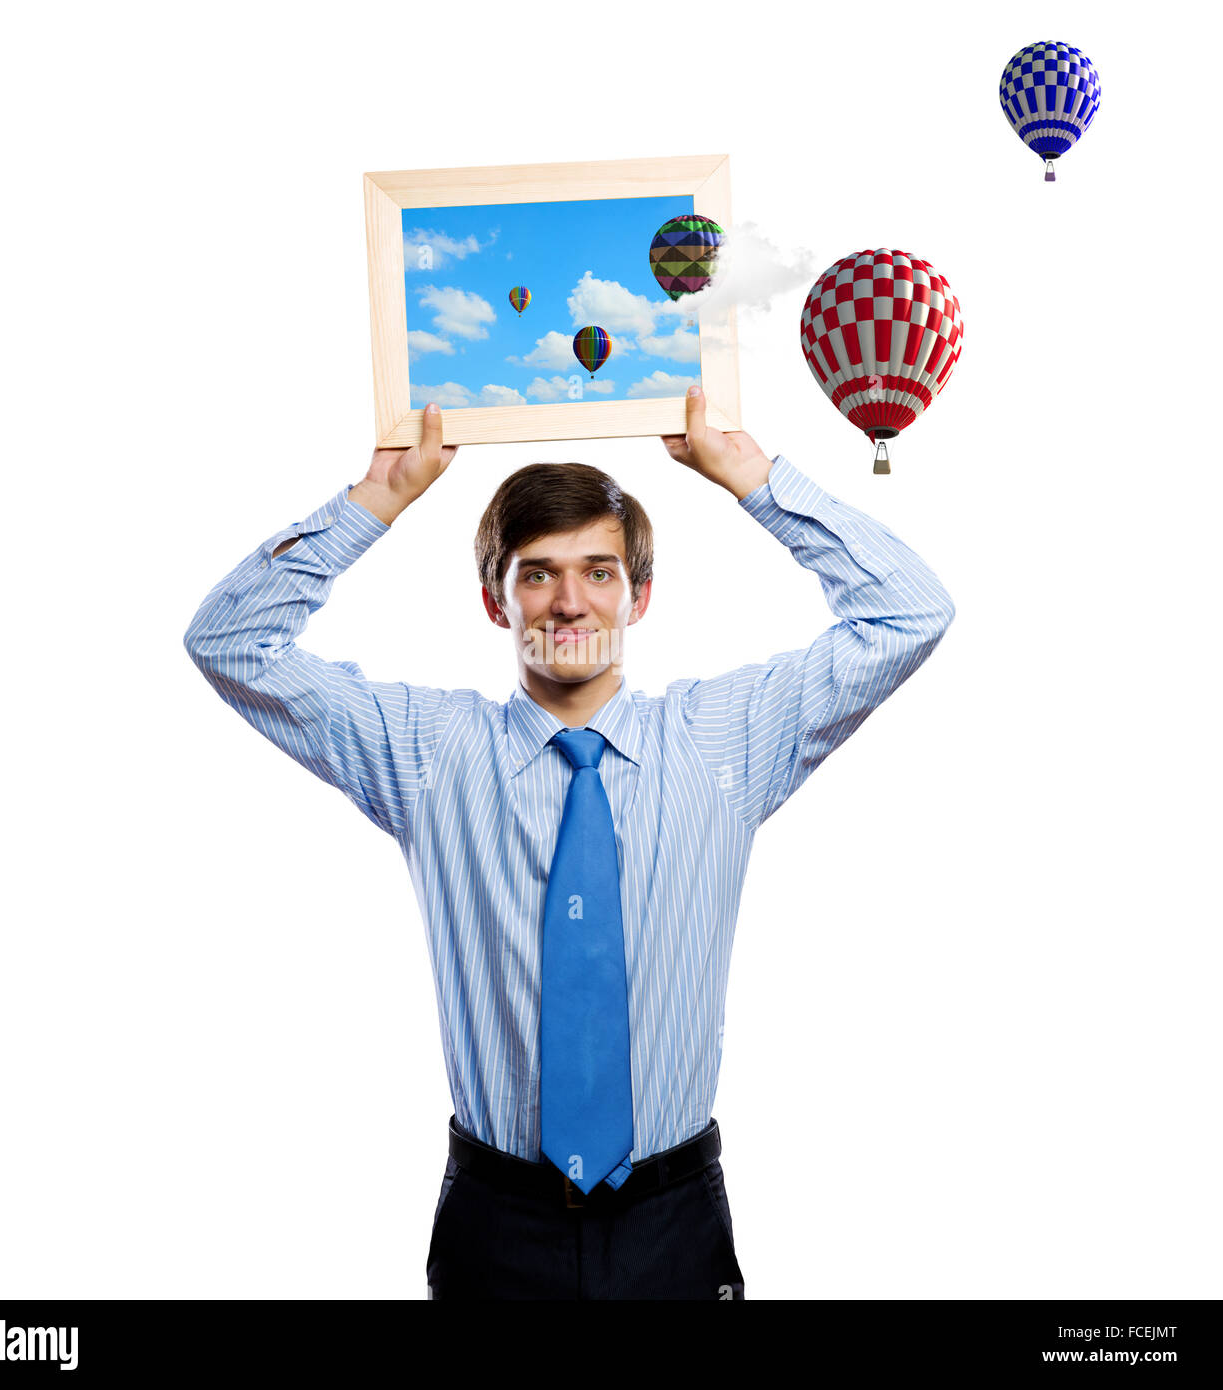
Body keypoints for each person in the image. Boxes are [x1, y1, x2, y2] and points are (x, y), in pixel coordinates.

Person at [183, 386, 956, 1300]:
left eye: (599, 571)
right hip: (496, 1221)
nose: (568, 602)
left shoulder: (724, 744)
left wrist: (750, 476)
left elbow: (909, 614)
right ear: (494, 600)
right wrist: (377, 499)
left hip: (673, 1216)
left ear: (641, 595)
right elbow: (230, 641)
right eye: (538, 573)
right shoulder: (428, 754)